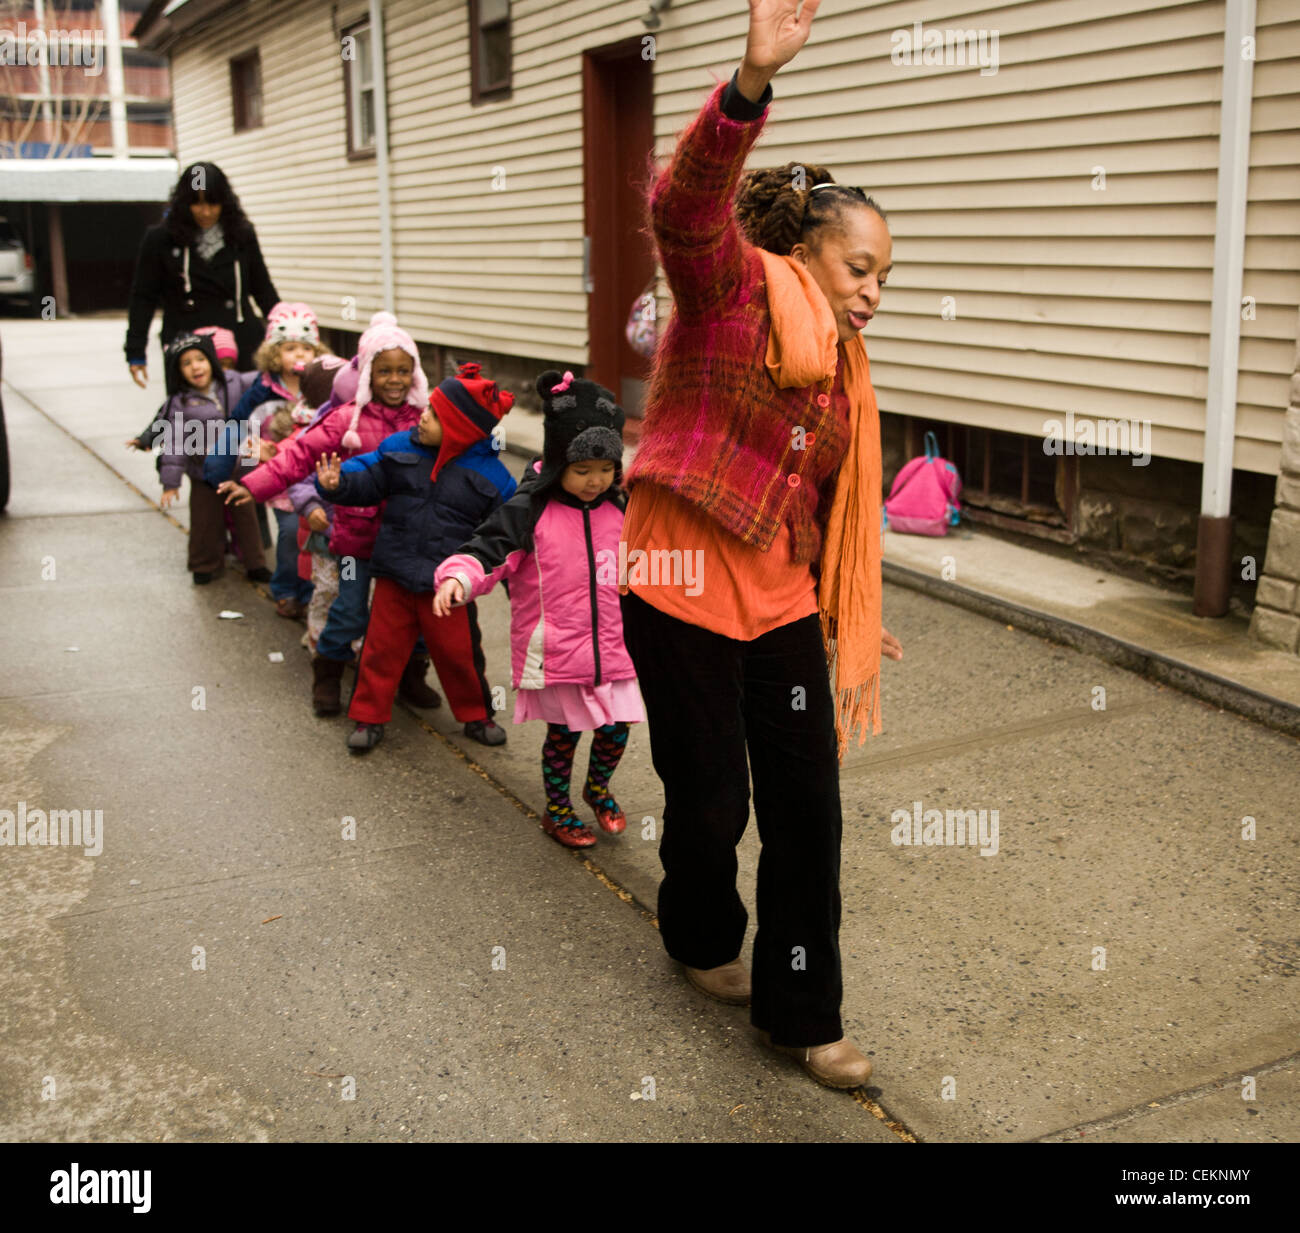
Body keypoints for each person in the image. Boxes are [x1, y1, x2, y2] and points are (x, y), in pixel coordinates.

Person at [615, 0, 902, 1091]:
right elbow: (680, 205)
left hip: (776, 602)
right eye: (859, 268)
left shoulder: (846, 380)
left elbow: (832, 516)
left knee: (805, 816)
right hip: (677, 582)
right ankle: (694, 937)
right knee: (710, 804)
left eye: (885, 276)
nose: (873, 291)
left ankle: (804, 1016)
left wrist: (850, 604)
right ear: (802, 254)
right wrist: (747, 82)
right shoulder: (726, 289)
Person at [434, 371, 643, 848]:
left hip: (615, 645)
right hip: (558, 648)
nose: (595, 480)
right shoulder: (530, 509)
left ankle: (597, 789)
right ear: (556, 462)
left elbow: (649, 564)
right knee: (564, 736)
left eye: (606, 468)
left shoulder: (622, 507)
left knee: (617, 726)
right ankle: (557, 810)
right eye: (582, 468)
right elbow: (488, 549)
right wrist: (458, 576)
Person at [315, 362, 517, 753]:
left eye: (433, 414)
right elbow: (368, 477)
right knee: (379, 650)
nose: (421, 417)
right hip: (394, 573)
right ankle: (368, 717)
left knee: (460, 654)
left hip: (449, 587)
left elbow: (503, 536)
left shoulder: (492, 477)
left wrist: (516, 588)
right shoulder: (400, 448)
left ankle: (476, 714)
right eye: (427, 409)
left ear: (460, 428)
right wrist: (341, 484)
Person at [205, 302, 331, 619]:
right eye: (290, 348)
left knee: (314, 535)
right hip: (277, 476)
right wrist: (218, 468)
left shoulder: (322, 386)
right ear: (274, 352)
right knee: (290, 532)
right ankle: (287, 589)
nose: (299, 355)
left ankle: (311, 590)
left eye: (306, 348)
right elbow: (236, 423)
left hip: (316, 473)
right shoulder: (263, 389)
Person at [125, 162, 279, 383]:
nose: (206, 212)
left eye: (212, 203)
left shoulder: (241, 235)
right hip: (188, 347)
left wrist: (286, 331)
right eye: (196, 204)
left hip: (239, 342)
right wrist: (135, 351)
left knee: (244, 414)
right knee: (191, 414)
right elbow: (143, 297)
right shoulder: (161, 239)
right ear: (183, 203)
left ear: (224, 202)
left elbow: (262, 288)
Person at [153, 331, 268, 585]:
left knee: (246, 519)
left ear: (212, 361)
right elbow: (175, 443)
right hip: (202, 473)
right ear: (177, 371)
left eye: (201, 359)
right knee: (205, 522)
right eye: (186, 363)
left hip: (239, 469)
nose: (196, 366)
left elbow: (262, 378)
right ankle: (204, 564)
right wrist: (170, 482)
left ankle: (255, 563)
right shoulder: (179, 402)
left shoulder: (233, 382)